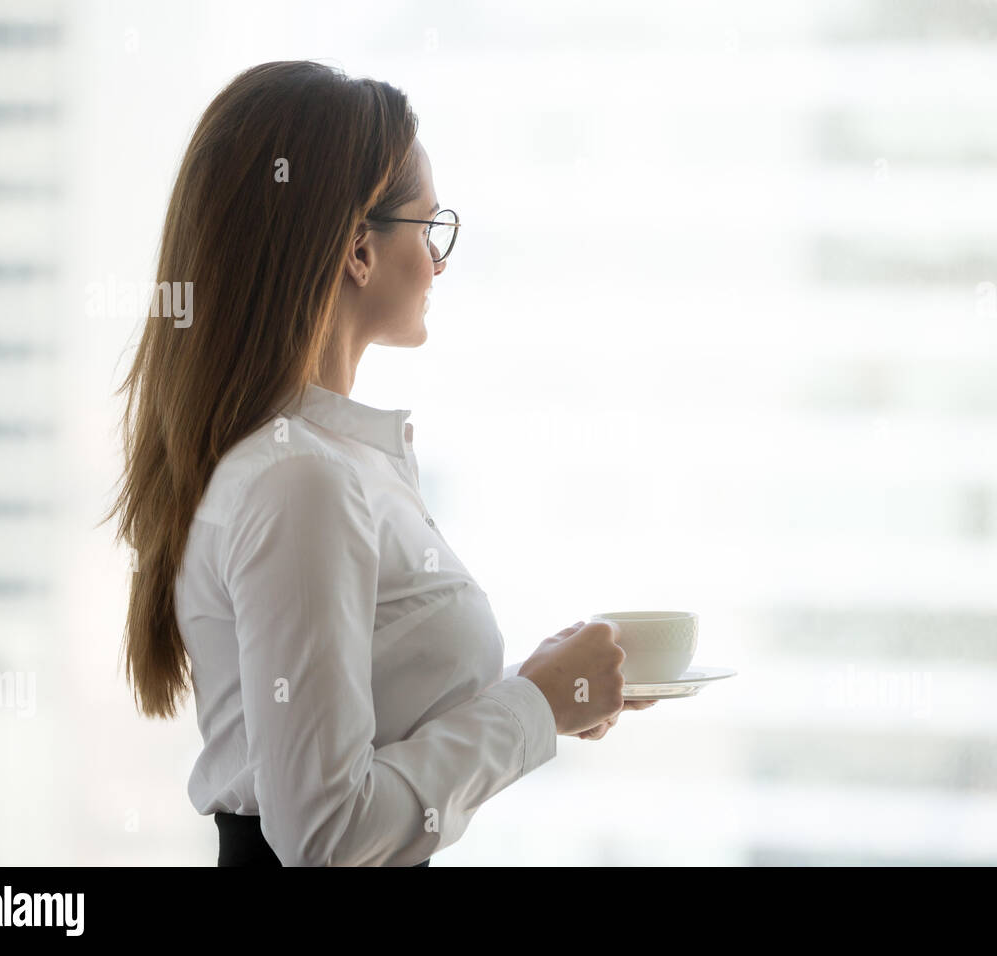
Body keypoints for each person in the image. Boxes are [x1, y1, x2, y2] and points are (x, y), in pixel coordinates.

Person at [104, 60, 655, 867]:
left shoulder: (317, 466)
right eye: (429, 228)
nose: (438, 262)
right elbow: (328, 835)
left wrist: (544, 689)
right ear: (358, 248)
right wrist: (536, 703)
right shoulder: (302, 480)